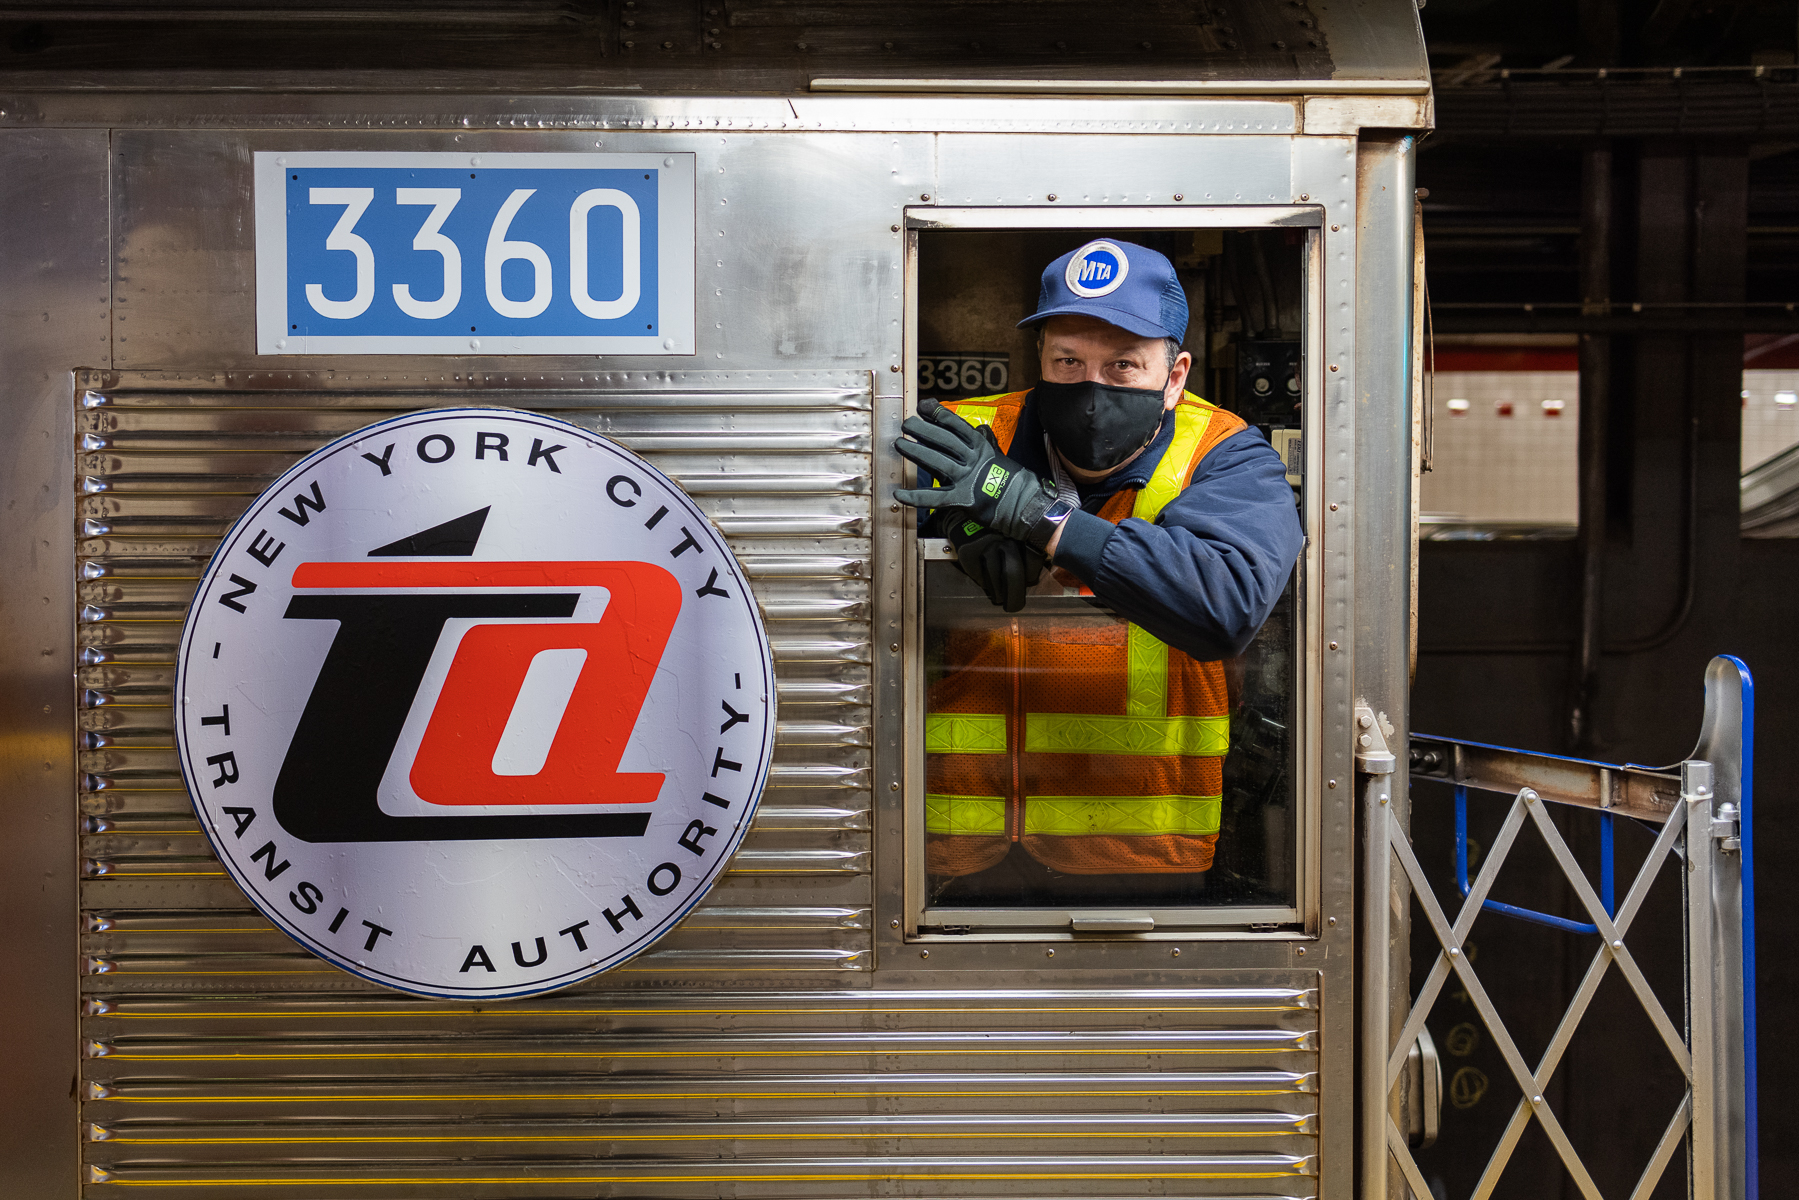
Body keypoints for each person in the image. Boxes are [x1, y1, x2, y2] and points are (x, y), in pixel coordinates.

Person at [894, 238, 1303, 893]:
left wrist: (1039, 518)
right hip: (956, 846)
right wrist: (954, 524)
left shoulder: (1223, 454)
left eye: (1122, 366)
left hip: (1136, 849)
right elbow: (849, 545)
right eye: (1068, 360)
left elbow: (1223, 606)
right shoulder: (966, 437)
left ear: (1173, 378)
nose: (1090, 387)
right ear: (1040, 357)